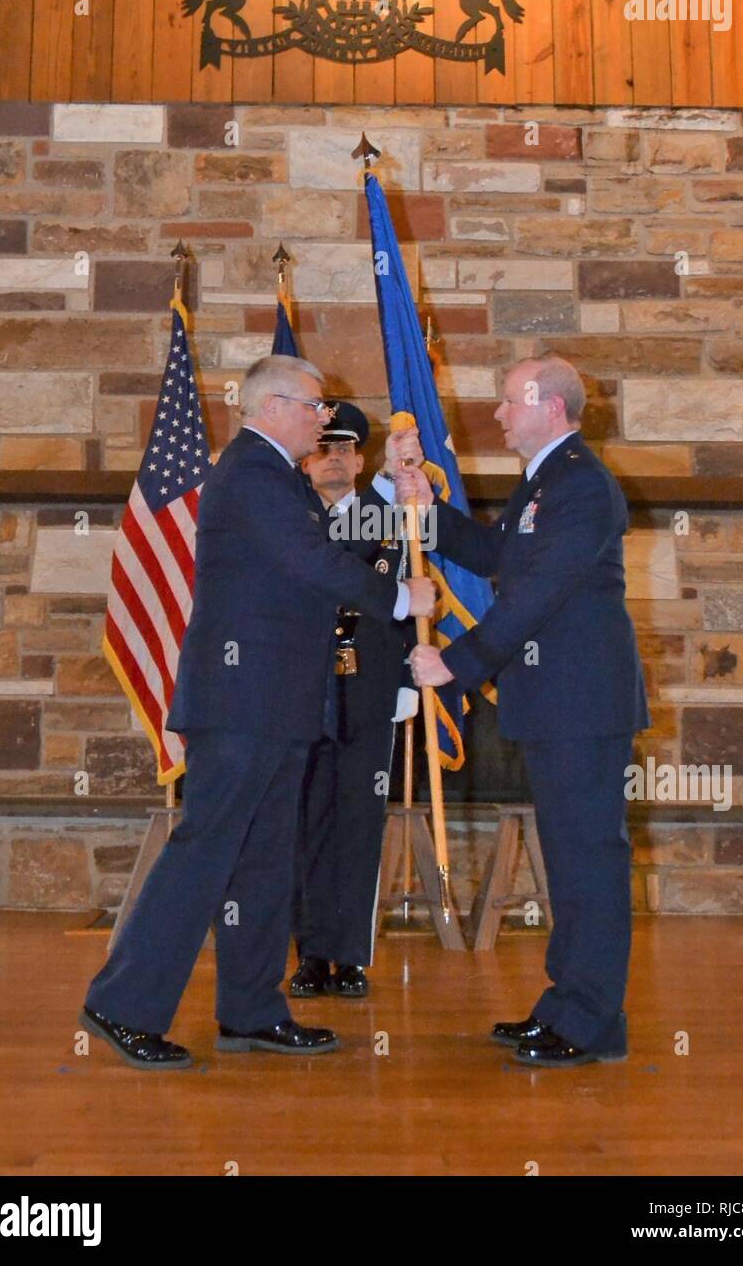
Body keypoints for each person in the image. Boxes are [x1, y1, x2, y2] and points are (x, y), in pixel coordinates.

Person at [81, 356, 434, 1069]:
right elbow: (315, 562)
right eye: (315, 406)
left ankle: (251, 1007)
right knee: (207, 851)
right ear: (273, 407)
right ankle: (122, 1003)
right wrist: (399, 599)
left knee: (265, 860)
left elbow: (330, 549)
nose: (323, 418)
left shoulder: (278, 478)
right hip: (241, 702)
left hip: (275, 703)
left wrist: (401, 492)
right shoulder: (251, 471)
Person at [398, 356, 649, 1069]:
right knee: (572, 861)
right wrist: (429, 513)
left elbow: (539, 595)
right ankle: (572, 1006)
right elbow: (499, 555)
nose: (500, 415)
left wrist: (459, 661)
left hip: (581, 703)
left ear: (546, 403)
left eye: (509, 402)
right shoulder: (547, 482)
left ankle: (590, 1018)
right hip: (557, 703)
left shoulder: (582, 485)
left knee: (589, 861)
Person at [289, 402, 418, 1000]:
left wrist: (406, 686)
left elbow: (399, 602)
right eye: (323, 448)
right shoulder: (289, 516)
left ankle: (352, 955)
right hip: (303, 690)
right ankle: (312, 952)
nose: (332, 458)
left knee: (360, 821)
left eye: (344, 450)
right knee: (307, 822)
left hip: (368, 687)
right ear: (306, 456)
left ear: (361, 460)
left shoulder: (387, 518)